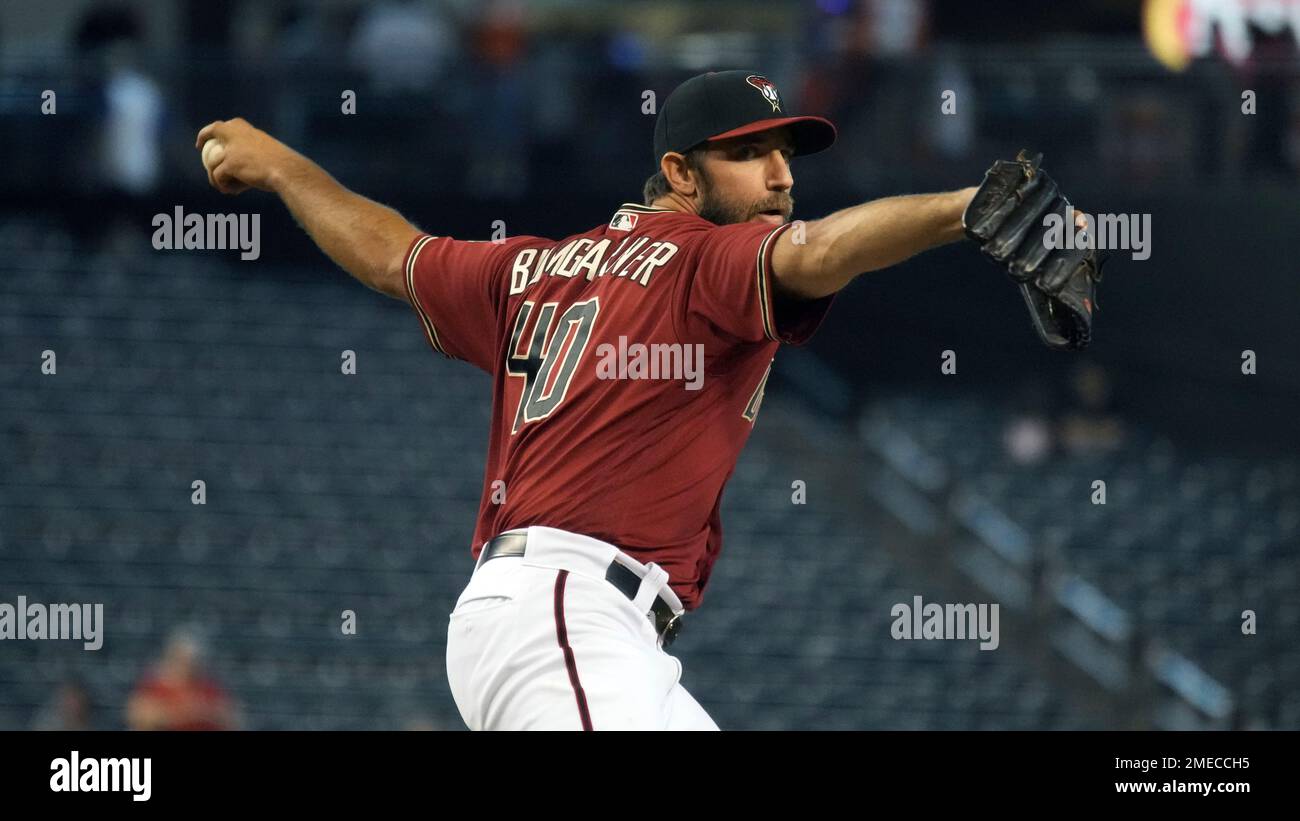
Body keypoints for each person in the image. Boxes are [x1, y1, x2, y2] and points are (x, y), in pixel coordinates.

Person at [195, 69, 982, 730]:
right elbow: (819, 249)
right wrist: (963, 209)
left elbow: (393, 253)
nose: (781, 175)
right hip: (565, 608)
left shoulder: (532, 268)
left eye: (785, 152)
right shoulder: (700, 256)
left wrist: (278, 166)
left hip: (590, 625)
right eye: (749, 153)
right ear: (680, 173)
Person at [126, 628, 239, 731]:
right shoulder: (156, 684)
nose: (190, 665)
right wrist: (185, 713)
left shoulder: (209, 687)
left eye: (194, 661)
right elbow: (139, 716)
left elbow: (232, 718)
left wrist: (207, 712)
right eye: (185, 660)